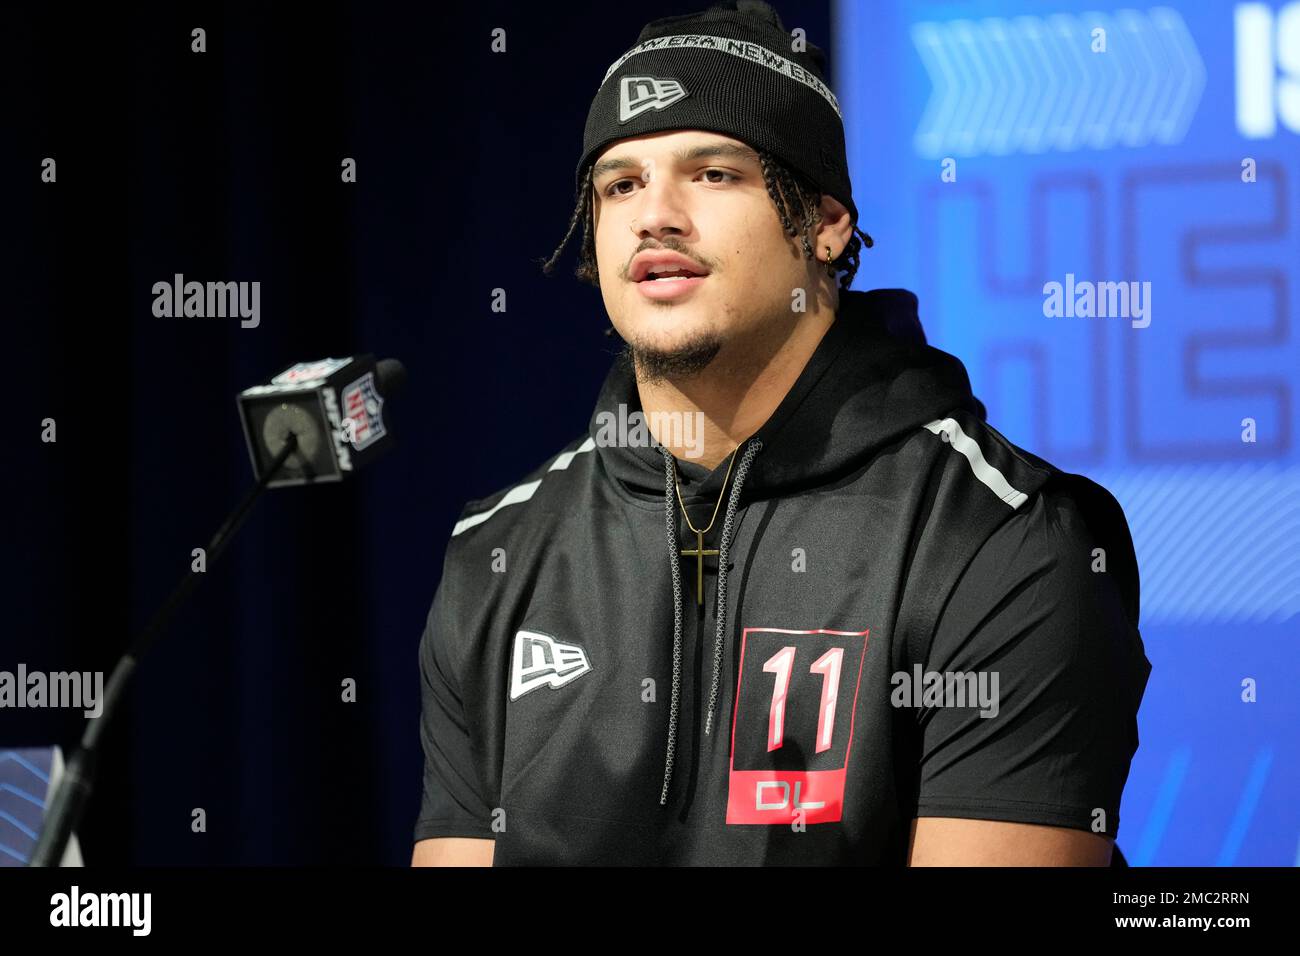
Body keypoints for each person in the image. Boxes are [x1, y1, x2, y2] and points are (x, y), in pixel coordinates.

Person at [411, 0, 1151, 866]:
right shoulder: (498, 550)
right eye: (621, 185)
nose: (656, 215)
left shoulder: (1001, 538)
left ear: (827, 223)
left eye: (714, 174)